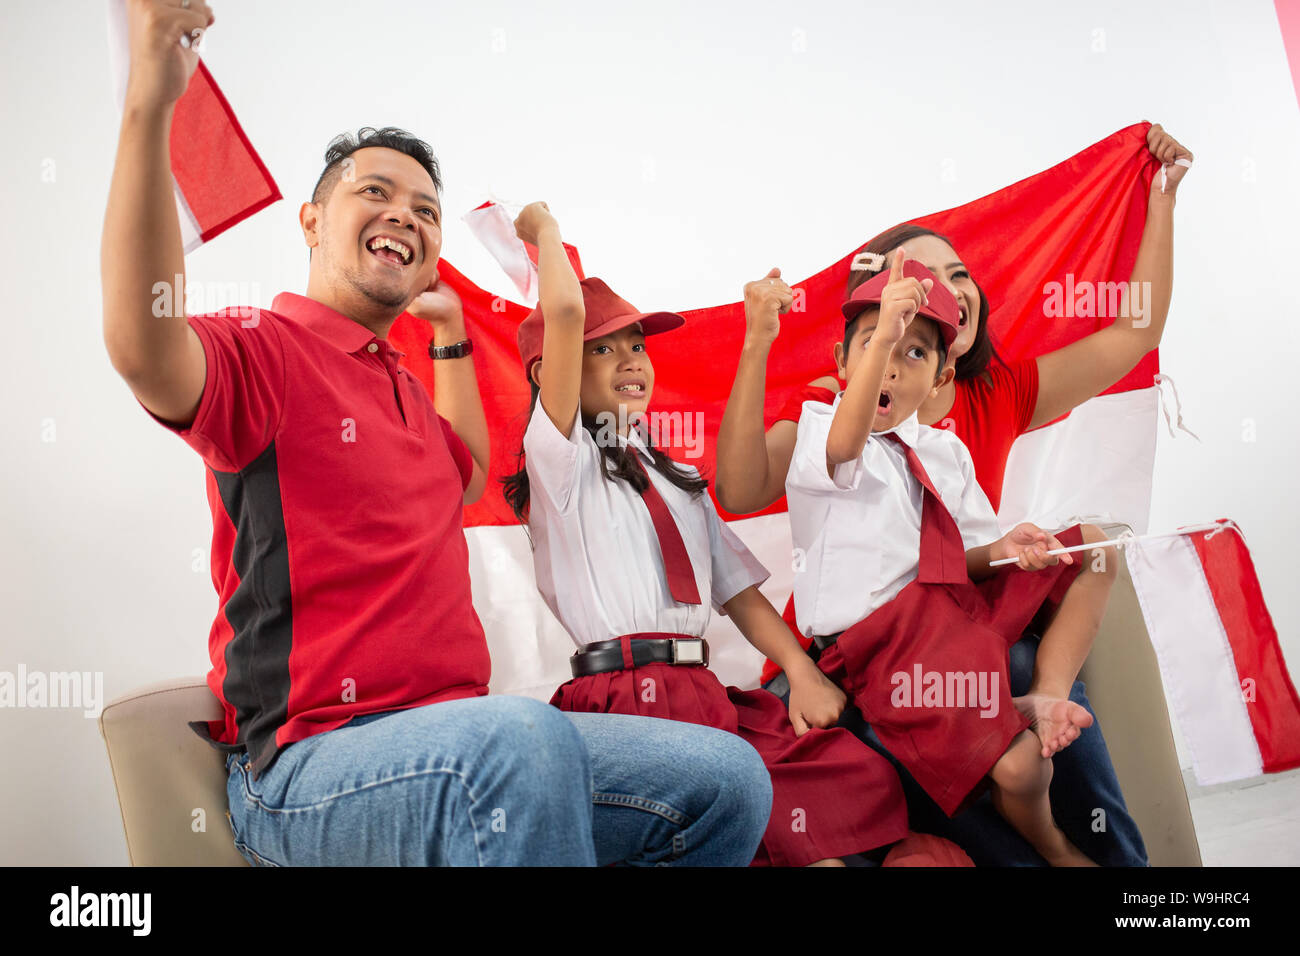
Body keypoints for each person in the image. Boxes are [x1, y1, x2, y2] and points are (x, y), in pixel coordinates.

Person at [100, 0, 772, 866]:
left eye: (426, 208)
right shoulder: (263, 351)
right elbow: (144, 347)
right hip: (310, 771)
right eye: (374, 192)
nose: (406, 215)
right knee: (519, 744)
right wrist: (151, 107)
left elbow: (463, 474)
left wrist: (449, 334)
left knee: (725, 779)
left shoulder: (402, 385)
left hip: (452, 745)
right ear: (311, 223)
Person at [715, 125, 1191, 865]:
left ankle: (1106, 840)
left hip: (958, 606)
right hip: (864, 638)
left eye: (957, 273)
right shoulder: (833, 406)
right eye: (914, 278)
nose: (941, 287)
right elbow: (743, 487)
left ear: (944, 356)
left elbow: (1134, 330)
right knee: (974, 702)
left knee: (1087, 564)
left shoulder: (990, 396)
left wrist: (1159, 201)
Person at [501, 202, 933, 867]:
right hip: (622, 697)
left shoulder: (672, 474)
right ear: (550, 373)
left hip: (698, 688)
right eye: (603, 349)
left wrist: (798, 670)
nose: (630, 360)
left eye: (637, 345)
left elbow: (736, 590)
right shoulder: (560, 462)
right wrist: (544, 234)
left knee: (851, 780)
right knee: (724, 822)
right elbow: (560, 315)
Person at [785, 252, 1119, 865]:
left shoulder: (944, 451)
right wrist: (888, 328)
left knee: (1094, 549)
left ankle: (1044, 694)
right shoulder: (821, 426)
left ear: (940, 380)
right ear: (839, 366)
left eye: (915, 353)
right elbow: (843, 445)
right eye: (873, 346)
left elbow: (966, 558)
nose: (890, 363)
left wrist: (1006, 549)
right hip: (891, 638)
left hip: (954, 603)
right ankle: (1057, 847)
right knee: (1020, 773)